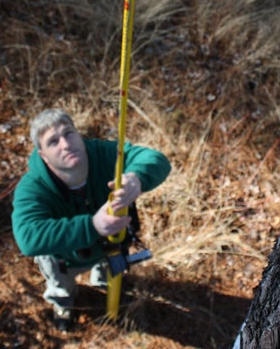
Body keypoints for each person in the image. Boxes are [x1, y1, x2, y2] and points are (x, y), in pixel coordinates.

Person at [11, 108, 172, 331]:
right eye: (53, 142)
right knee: (61, 286)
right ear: (42, 155)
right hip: (64, 258)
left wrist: (137, 178)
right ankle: (63, 305)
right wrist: (92, 226)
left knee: (108, 269)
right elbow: (27, 238)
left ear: (79, 135)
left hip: (109, 246)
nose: (65, 144)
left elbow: (156, 160)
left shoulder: (103, 154)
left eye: (69, 133)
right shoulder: (33, 187)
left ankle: (102, 281)